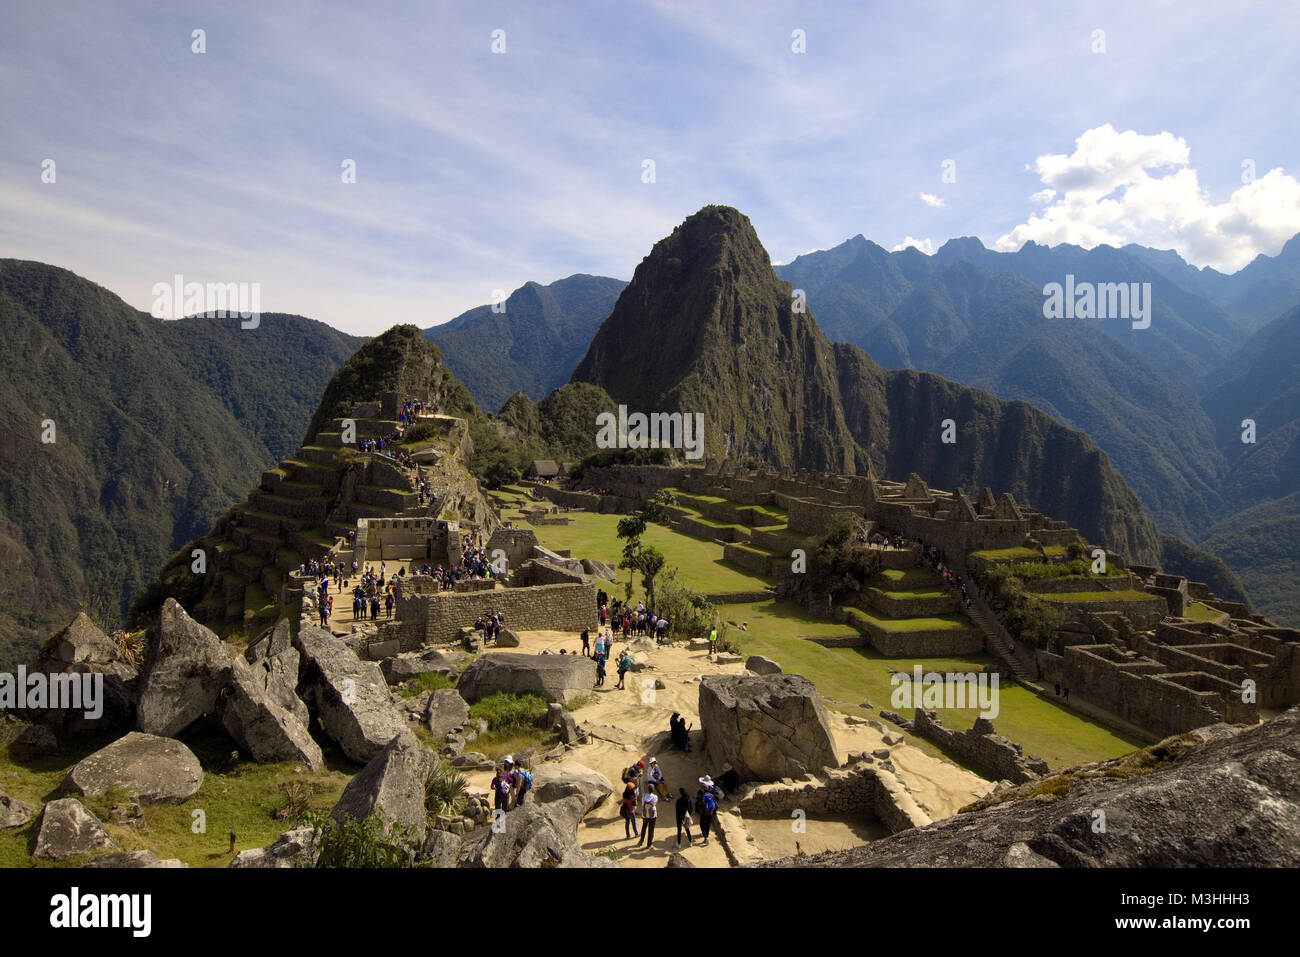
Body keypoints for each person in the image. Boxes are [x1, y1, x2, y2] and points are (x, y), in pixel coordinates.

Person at [696, 777, 717, 846]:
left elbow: (700, 803)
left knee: (702, 824)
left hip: (704, 812)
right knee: (708, 824)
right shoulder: (711, 792)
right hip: (710, 811)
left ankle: (705, 837)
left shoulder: (702, 795)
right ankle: (706, 835)